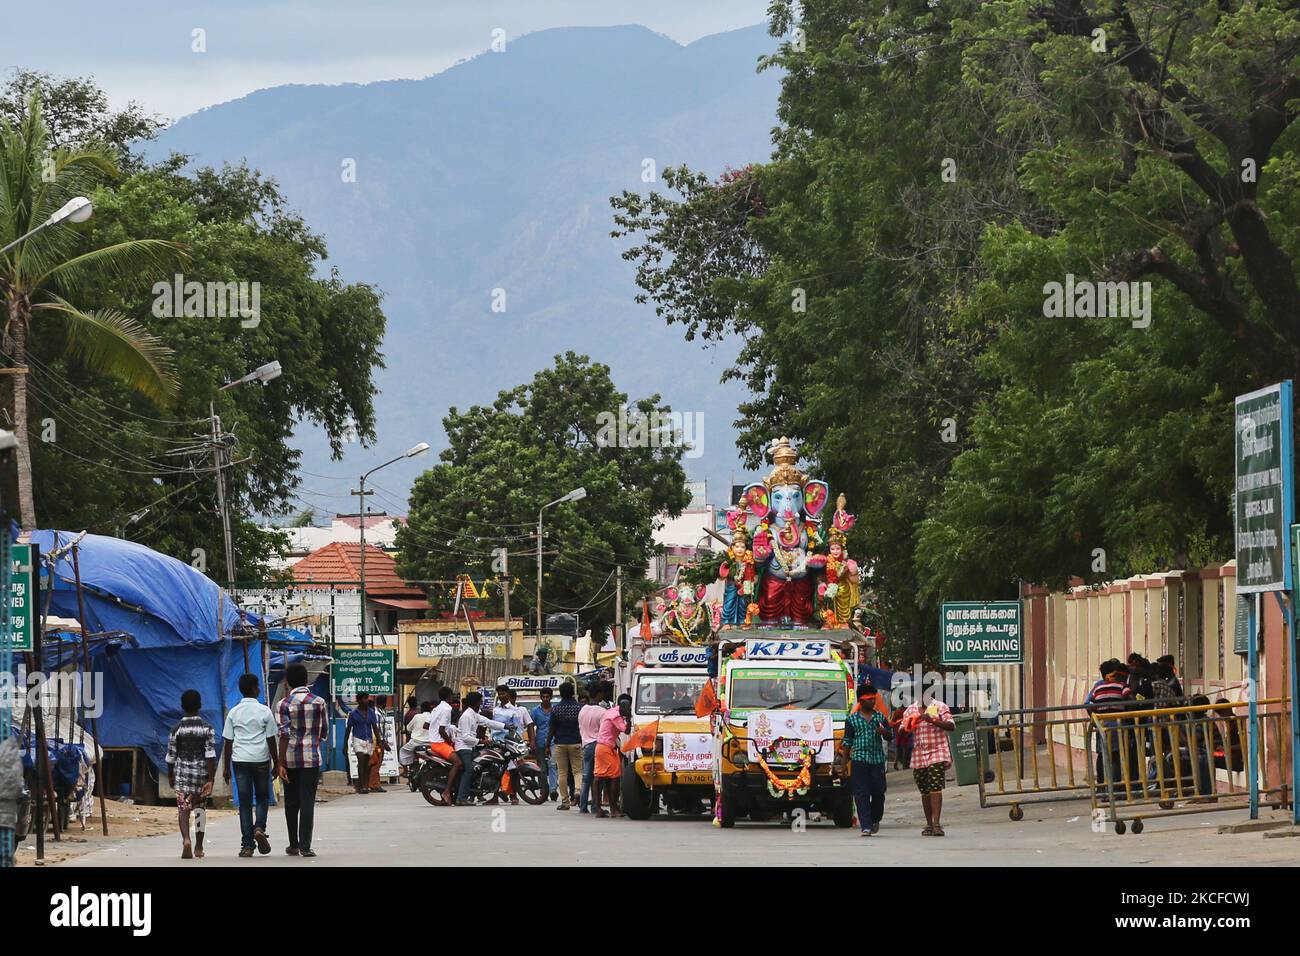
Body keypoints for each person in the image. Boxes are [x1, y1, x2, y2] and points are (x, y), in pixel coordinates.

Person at [221, 673, 280, 857]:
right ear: (256, 689)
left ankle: (247, 845)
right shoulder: (264, 711)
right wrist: (276, 763)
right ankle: (259, 827)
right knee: (262, 797)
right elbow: (271, 740)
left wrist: (225, 767)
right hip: (261, 760)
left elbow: (228, 742)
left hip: (240, 761)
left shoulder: (234, 712)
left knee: (245, 803)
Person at [278, 662, 329, 857]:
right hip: (312, 758)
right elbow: (323, 731)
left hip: (290, 758)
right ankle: (306, 846)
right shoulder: (320, 702)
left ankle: (294, 844)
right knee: (307, 800)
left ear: (288, 682)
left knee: (291, 801)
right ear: (306, 680)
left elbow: (283, 735)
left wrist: (280, 763)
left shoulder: (283, 704)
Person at [166, 688, 216, 860]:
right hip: (201, 775)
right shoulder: (207, 729)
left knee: (184, 810)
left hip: (182, 775)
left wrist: (171, 775)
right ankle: (199, 847)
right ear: (200, 706)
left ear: (182, 707)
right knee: (200, 811)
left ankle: (186, 839)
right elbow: (210, 755)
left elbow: (171, 756)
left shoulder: (176, 729)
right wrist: (211, 778)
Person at [841, 683, 892, 836]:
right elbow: (847, 742)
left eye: (873, 698)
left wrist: (884, 732)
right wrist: (844, 765)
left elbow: (890, 736)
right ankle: (866, 826)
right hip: (859, 760)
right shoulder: (852, 720)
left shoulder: (880, 717)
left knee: (878, 792)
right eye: (869, 699)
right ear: (861, 701)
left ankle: (875, 818)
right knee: (861, 793)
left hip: (877, 761)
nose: (873, 702)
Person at [901, 693, 955, 836]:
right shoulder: (911, 710)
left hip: (937, 750)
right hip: (919, 753)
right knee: (924, 790)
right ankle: (929, 824)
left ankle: (937, 824)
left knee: (935, 786)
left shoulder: (939, 707)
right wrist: (909, 725)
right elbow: (901, 730)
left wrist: (933, 721)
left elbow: (951, 726)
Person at [1085, 660, 1136, 790]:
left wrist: (1095, 719)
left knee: (1103, 755)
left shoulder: (1097, 687)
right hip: (1116, 727)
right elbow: (1132, 700)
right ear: (1109, 675)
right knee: (1115, 757)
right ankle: (1114, 788)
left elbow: (1088, 704)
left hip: (1103, 726)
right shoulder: (1120, 686)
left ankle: (1104, 786)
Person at [452, 691, 506, 805]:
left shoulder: (473, 714)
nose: (481, 704)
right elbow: (465, 737)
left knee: (480, 767)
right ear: (476, 703)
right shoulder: (467, 716)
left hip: (470, 746)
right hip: (464, 747)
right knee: (469, 770)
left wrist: (505, 726)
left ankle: (474, 793)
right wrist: (482, 741)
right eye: (480, 702)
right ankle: (461, 798)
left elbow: (487, 722)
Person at [592, 694, 631, 818]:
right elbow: (626, 730)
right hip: (606, 748)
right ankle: (614, 809)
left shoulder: (609, 712)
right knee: (614, 777)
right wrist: (629, 718)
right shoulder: (616, 716)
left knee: (599, 778)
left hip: (601, 747)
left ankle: (598, 808)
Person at [547, 681, 583, 810]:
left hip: (560, 743)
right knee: (577, 771)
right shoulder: (579, 708)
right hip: (576, 742)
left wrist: (547, 745)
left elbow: (551, 729)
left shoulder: (556, 709)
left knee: (562, 773)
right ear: (572, 693)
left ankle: (565, 802)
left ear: (561, 694)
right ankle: (578, 791)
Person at [427, 687, 459, 804]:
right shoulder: (446, 709)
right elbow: (441, 730)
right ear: (449, 696)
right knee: (458, 762)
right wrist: (450, 740)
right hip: (440, 743)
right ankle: (447, 791)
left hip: (434, 741)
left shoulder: (437, 708)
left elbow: (428, 725)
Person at [344, 692, 380, 794]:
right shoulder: (353, 714)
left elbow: (375, 727)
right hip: (358, 739)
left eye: (366, 698)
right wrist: (345, 744)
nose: (366, 700)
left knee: (368, 764)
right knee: (361, 761)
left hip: (368, 740)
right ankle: (364, 786)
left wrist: (379, 740)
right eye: (364, 698)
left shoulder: (371, 713)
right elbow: (348, 730)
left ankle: (363, 784)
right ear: (359, 700)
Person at [578, 691, 608, 813]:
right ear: (599, 694)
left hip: (586, 745)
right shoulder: (602, 711)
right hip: (598, 745)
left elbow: (580, 727)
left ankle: (583, 806)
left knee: (586, 778)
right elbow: (604, 730)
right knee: (598, 777)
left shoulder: (582, 710)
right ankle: (596, 806)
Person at [531, 687, 559, 801]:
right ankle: (543, 789)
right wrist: (532, 741)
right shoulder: (535, 711)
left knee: (552, 765)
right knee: (541, 767)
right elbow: (531, 726)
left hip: (553, 741)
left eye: (547, 697)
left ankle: (553, 790)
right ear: (541, 697)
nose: (545, 699)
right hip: (540, 741)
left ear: (551, 697)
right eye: (543, 697)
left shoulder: (556, 710)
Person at [399, 700, 435, 770]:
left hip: (416, 742)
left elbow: (408, 728)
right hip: (430, 743)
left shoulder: (417, 716)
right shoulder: (433, 717)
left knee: (403, 751)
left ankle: (406, 771)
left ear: (422, 708)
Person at [368, 694, 392, 792]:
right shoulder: (377, 714)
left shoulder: (382, 712)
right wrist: (382, 742)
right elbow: (377, 729)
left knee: (378, 763)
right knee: (376, 763)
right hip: (378, 743)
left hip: (382, 741)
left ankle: (374, 783)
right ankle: (374, 784)